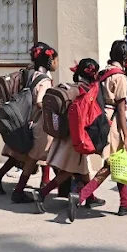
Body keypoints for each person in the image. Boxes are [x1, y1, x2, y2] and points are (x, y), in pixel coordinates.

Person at [74, 41, 127, 217]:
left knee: (116, 161)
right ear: (125, 56)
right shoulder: (120, 76)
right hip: (113, 122)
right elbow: (120, 107)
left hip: (101, 119)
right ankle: (80, 196)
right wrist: (126, 135)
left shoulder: (103, 72)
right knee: (111, 164)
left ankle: (124, 202)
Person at [33, 58, 101, 217]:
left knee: (83, 169)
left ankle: (90, 197)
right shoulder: (85, 91)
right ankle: (42, 193)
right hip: (76, 137)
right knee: (69, 171)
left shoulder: (73, 88)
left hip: (65, 134)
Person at [7, 43, 58, 204]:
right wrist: (53, 108)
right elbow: (40, 100)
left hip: (31, 121)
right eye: (56, 60)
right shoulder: (45, 80)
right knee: (38, 157)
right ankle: (22, 190)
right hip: (42, 124)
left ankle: (38, 185)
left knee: (35, 158)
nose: (57, 63)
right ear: (50, 61)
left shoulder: (32, 74)